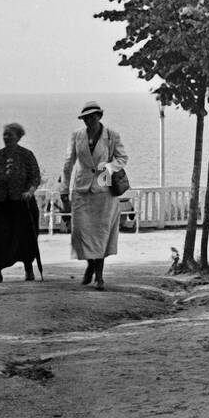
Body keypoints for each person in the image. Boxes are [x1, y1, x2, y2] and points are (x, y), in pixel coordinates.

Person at [61, 102, 128, 290]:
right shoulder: (76, 136)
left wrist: (108, 167)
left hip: (104, 191)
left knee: (101, 234)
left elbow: (122, 158)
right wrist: (64, 190)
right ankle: (90, 265)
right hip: (81, 189)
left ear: (100, 116)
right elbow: (69, 163)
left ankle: (99, 276)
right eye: (86, 118)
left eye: (93, 116)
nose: (89, 120)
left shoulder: (111, 136)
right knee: (81, 232)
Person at [0, 122, 43, 284]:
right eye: (5, 134)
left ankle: (28, 268)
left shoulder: (27, 155)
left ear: (18, 137)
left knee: (26, 236)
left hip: (21, 203)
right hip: (0, 203)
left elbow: (35, 177)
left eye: (10, 134)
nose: (6, 137)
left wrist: (29, 192)